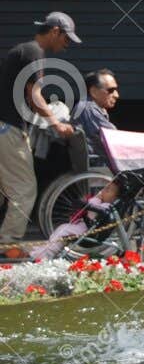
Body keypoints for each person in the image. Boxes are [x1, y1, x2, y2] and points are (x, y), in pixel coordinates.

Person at [0, 13, 80, 248]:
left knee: (5, 189)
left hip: (4, 127)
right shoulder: (34, 53)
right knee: (24, 188)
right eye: (66, 39)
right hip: (8, 129)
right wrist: (56, 123)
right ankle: (8, 244)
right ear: (55, 31)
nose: (66, 46)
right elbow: (35, 96)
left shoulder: (23, 51)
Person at [71, 69, 119, 169]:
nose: (116, 95)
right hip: (100, 165)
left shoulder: (88, 108)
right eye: (111, 90)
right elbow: (115, 138)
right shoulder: (88, 109)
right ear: (94, 91)